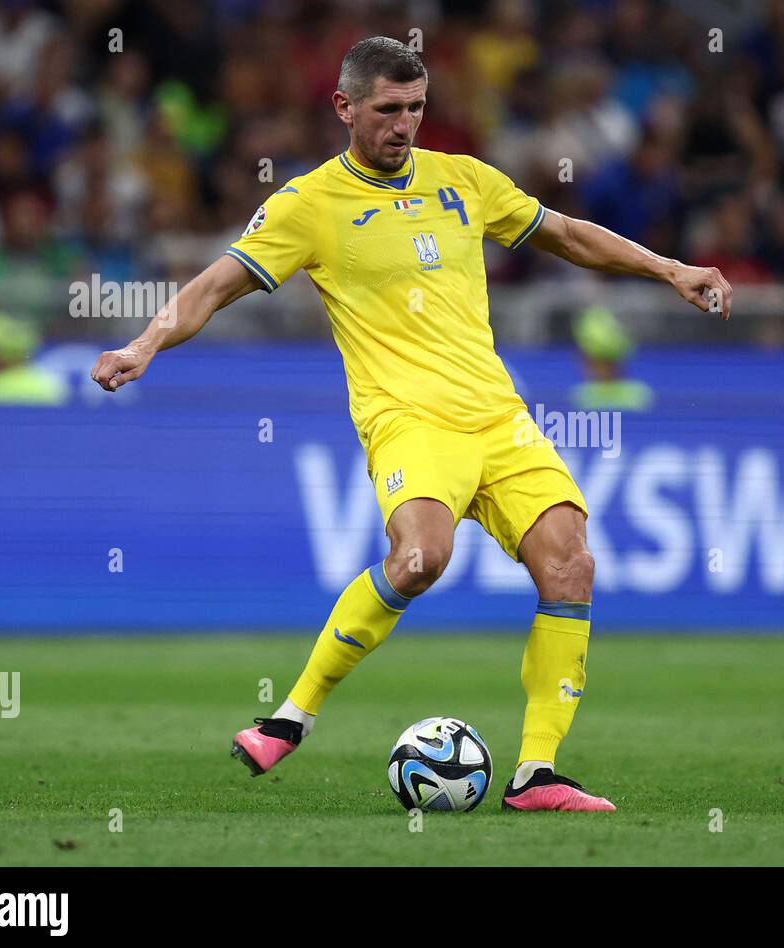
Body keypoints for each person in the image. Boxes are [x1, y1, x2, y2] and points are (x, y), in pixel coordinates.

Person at [90, 37, 732, 812]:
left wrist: (672, 269)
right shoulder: (308, 205)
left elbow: (565, 233)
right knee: (422, 558)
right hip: (408, 420)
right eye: (388, 110)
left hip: (499, 416)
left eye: (416, 108)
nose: (405, 124)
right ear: (346, 108)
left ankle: (537, 774)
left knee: (571, 566)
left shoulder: (464, 179)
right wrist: (144, 342)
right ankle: (290, 716)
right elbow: (213, 287)